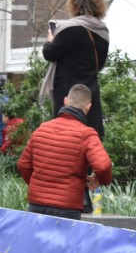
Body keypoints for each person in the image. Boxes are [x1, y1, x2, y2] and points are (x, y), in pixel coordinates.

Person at [17, 83, 112, 219]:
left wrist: (38, 186)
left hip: (36, 205)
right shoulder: (87, 134)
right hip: (66, 208)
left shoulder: (42, 129)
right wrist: (101, 180)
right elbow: (103, 166)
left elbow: (23, 165)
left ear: (65, 101)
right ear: (88, 107)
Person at [41, 0, 109, 138]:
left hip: (68, 94)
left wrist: (50, 40)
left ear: (73, 3)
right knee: (89, 137)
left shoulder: (69, 29)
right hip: (90, 93)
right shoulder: (102, 32)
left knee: (66, 138)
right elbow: (101, 64)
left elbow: (49, 54)